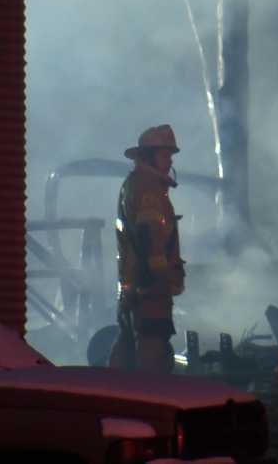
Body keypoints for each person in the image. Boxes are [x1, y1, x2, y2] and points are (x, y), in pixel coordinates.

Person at [108, 124, 185, 373]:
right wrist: (159, 279)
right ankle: (153, 398)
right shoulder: (148, 188)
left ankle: (115, 392)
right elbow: (149, 236)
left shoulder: (137, 183)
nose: (169, 160)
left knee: (129, 340)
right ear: (148, 156)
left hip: (134, 281)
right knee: (153, 340)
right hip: (150, 284)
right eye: (165, 155)